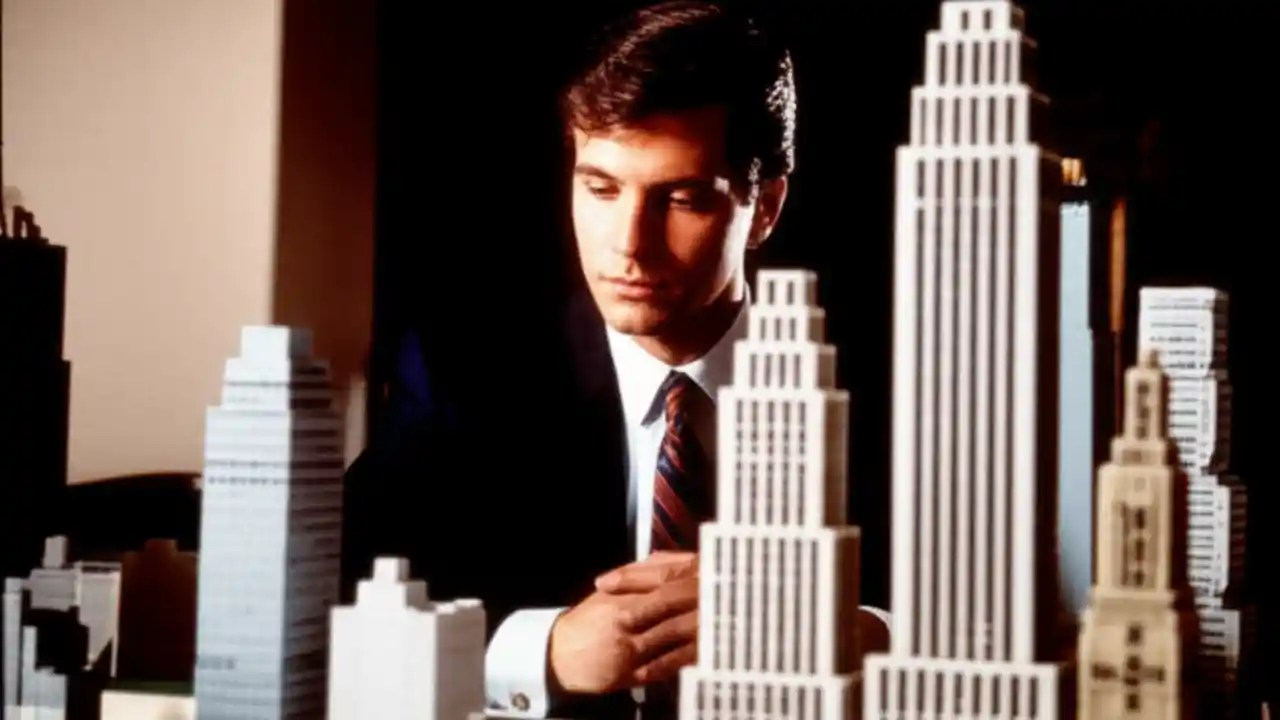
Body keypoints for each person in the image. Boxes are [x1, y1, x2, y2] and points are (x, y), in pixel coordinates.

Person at [341, 1, 888, 717]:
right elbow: (345, 603)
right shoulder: (463, 374)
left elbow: (996, 610)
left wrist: (861, 635)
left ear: (764, 208)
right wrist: (546, 652)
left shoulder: (890, 387)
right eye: (600, 188)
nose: (629, 243)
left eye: (681, 200)